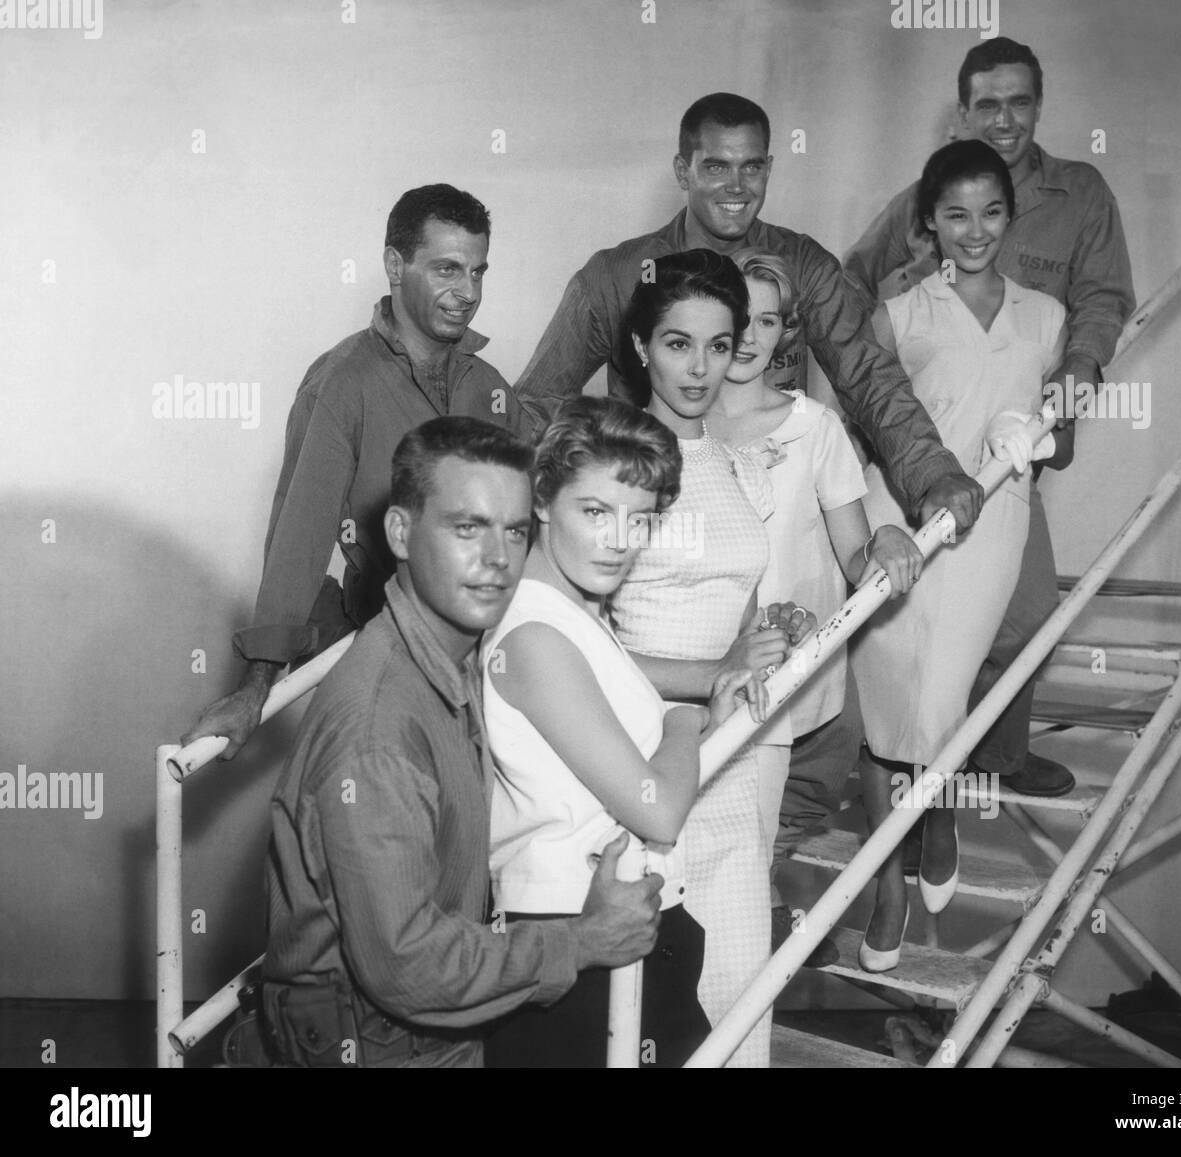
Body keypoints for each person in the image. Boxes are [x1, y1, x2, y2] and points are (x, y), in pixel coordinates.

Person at [260, 417, 663, 1068]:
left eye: (514, 531)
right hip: (380, 1046)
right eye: (467, 527)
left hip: (427, 1032)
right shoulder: (378, 729)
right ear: (399, 531)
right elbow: (407, 964)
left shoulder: (450, 657)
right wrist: (582, 940)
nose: (498, 559)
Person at [845, 38, 1136, 798]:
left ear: (1039, 104)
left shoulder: (1081, 192)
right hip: (919, 454)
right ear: (963, 109)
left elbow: (1104, 298)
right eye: (988, 103)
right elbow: (849, 290)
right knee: (889, 621)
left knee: (1024, 616)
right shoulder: (924, 196)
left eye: (1020, 101)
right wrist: (915, 291)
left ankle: (986, 755)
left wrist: (1078, 371)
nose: (1004, 118)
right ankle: (911, 770)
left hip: (1011, 454)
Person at [514, 92, 983, 538]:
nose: (736, 186)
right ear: (683, 170)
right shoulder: (615, 276)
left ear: (769, 169)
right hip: (660, 521)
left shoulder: (803, 265)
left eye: (751, 166)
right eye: (716, 166)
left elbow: (869, 375)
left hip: (782, 517)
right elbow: (537, 405)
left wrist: (931, 472)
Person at [181, 184, 525, 761]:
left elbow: (532, 528)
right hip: (384, 664)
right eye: (447, 269)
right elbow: (300, 539)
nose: (467, 292)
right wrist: (255, 689)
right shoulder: (341, 383)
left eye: (478, 271)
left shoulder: (490, 388)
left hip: (494, 673)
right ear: (395, 264)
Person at [482, 396, 754, 1068]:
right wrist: (684, 717)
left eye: (642, 518)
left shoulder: (575, 615)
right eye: (595, 511)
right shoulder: (535, 633)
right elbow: (657, 807)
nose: (620, 539)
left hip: (626, 928)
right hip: (576, 947)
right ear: (542, 499)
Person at [853, 141, 1066, 972]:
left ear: (1010, 216)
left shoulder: (1045, 317)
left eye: (990, 212)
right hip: (898, 521)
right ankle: (886, 887)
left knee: (941, 701)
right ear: (928, 222)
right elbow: (858, 418)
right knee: (883, 712)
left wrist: (1039, 438)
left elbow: (1063, 438)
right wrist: (882, 515)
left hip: (988, 530)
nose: (973, 231)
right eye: (954, 215)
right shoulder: (898, 312)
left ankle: (937, 817)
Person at [608, 249, 812, 1067]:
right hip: (646, 751)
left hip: (736, 754)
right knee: (654, 1004)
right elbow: (580, 646)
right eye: (677, 343)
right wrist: (716, 672)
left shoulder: (737, 466)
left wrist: (776, 623)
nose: (699, 367)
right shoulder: (615, 468)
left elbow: (734, 600)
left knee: (738, 988)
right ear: (639, 348)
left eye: (718, 345)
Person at [707, 249, 923, 965]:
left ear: (785, 334)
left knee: (754, 849)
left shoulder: (816, 428)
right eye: (737, 314)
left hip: (793, 682)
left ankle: (742, 993)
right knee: (710, 859)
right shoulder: (679, 424)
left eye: (767, 319)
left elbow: (858, 558)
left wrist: (890, 534)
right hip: (705, 671)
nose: (748, 334)